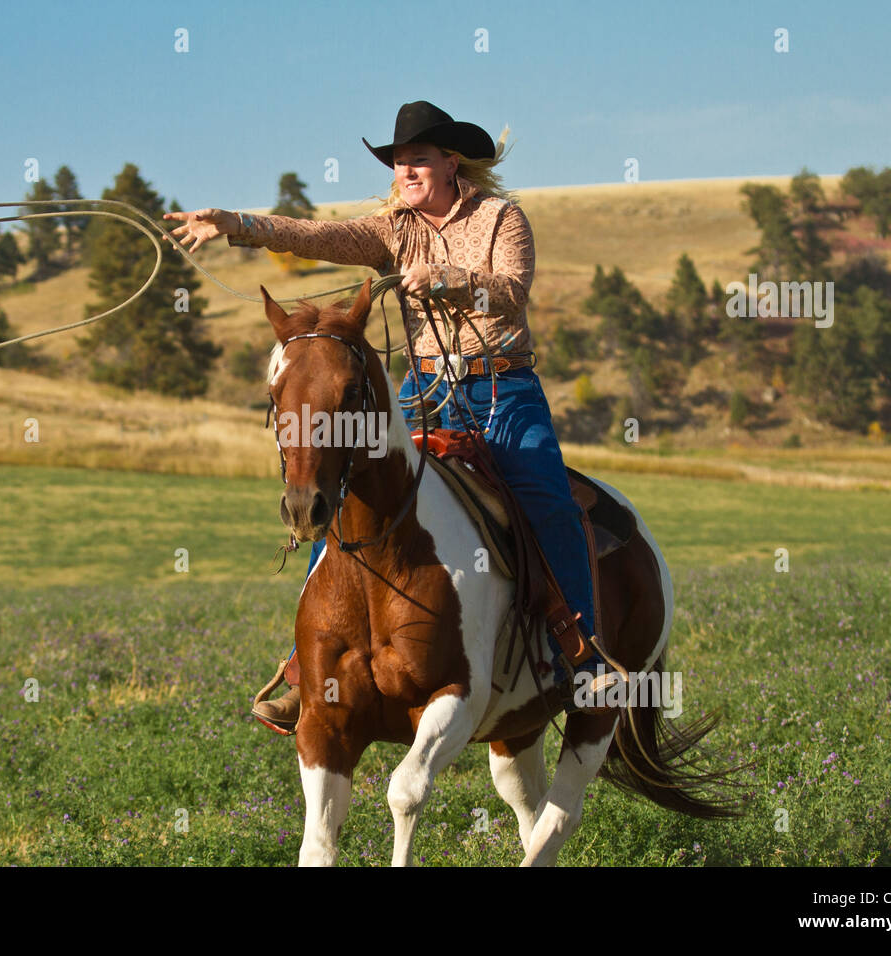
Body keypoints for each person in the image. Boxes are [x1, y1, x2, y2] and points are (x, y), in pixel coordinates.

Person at [163, 101, 614, 735]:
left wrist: (450, 280)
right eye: (400, 162)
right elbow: (314, 236)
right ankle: (304, 667)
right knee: (345, 490)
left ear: (451, 163)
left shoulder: (502, 218)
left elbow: (511, 293)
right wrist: (234, 222)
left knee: (548, 501)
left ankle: (582, 655)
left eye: (418, 160)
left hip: (502, 389)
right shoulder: (391, 230)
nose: (406, 171)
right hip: (423, 389)